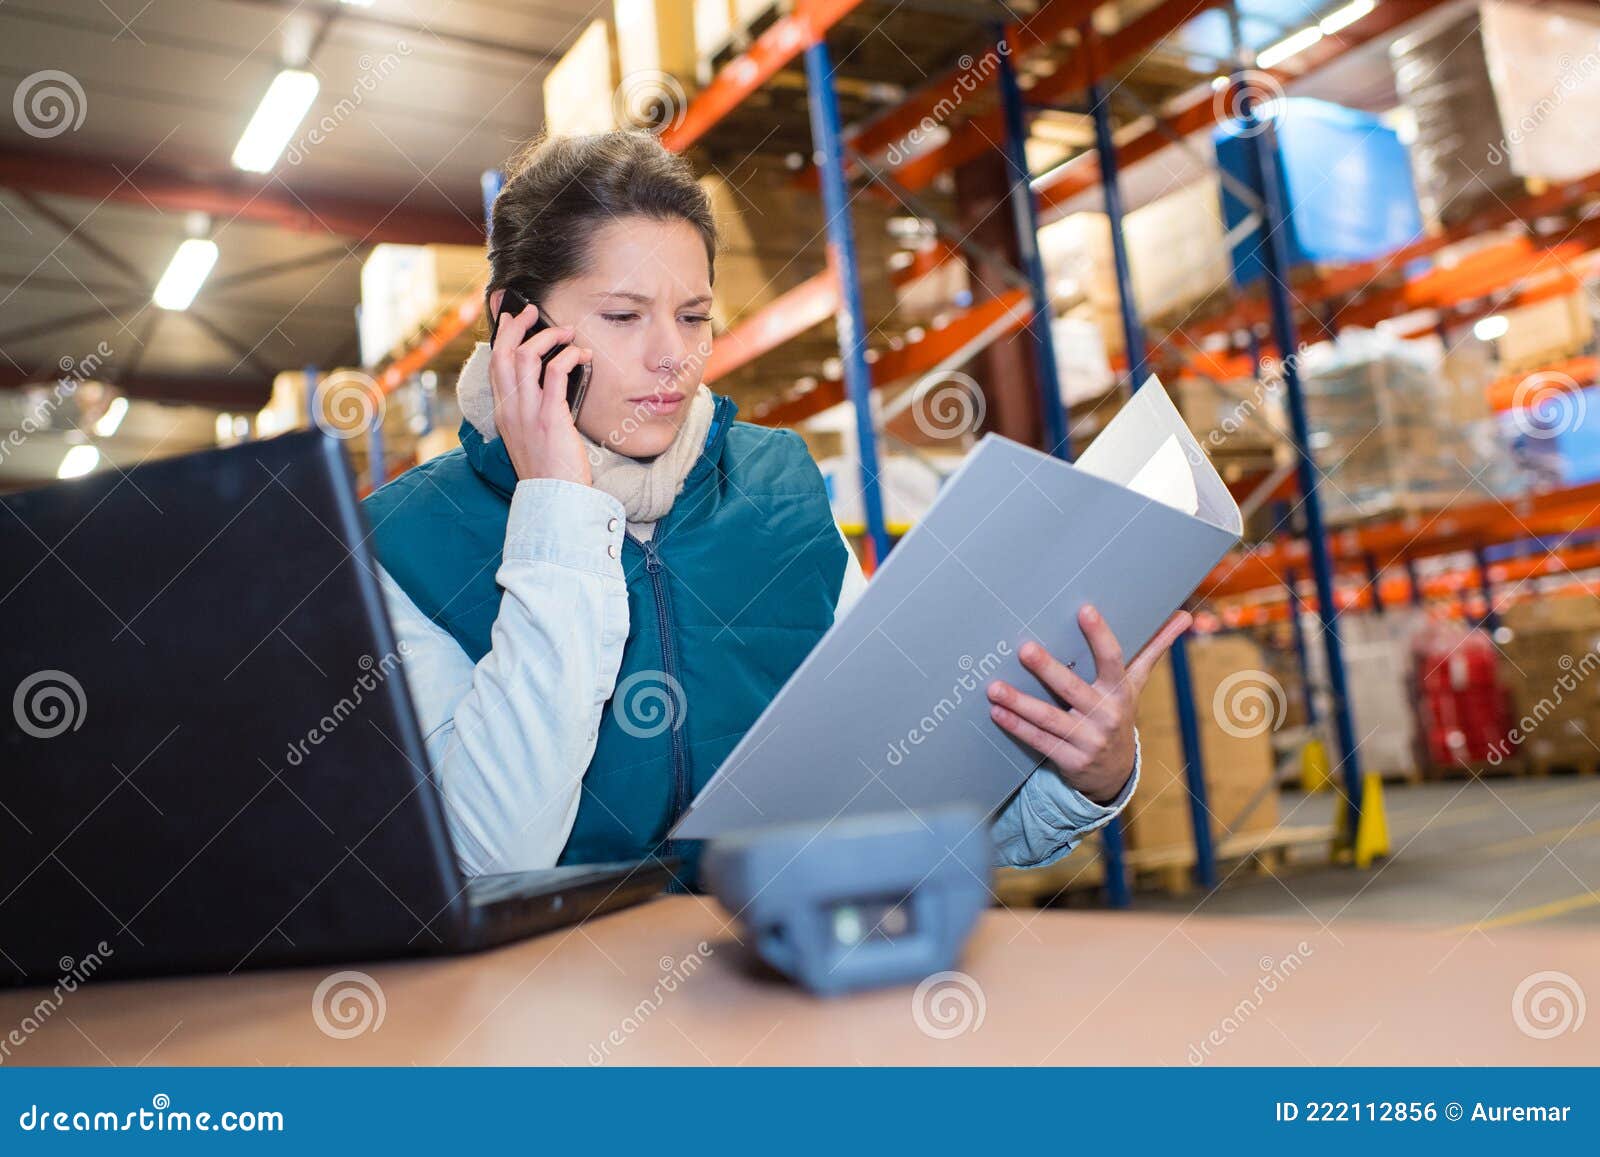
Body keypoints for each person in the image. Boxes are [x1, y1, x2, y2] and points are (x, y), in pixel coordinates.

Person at [363, 130, 1190, 883]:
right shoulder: (402, 542)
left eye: (693, 317)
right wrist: (555, 511)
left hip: (784, 974)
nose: (672, 357)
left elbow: (909, 797)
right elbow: (487, 854)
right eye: (623, 316)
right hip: (556, 996)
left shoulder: (780, 489)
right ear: (515, 322)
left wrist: (1088, 773)